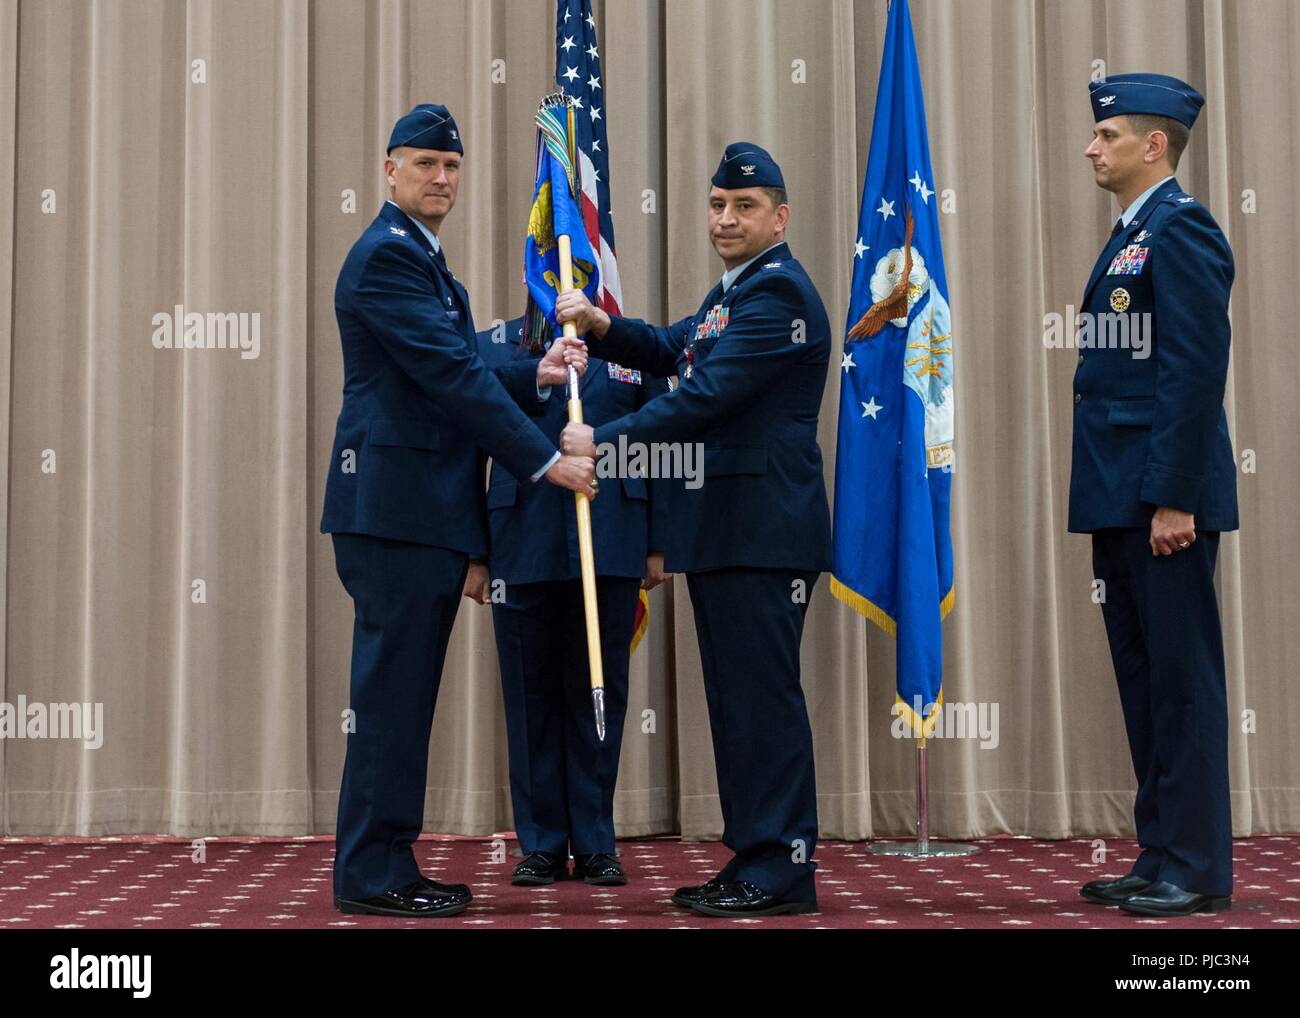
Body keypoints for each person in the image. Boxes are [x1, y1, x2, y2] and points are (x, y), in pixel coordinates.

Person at [320, 103, 596, 918]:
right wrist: (546, 460)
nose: (440, 179)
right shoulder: (385, 260)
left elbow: (466, 360)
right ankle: (371, 873)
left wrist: (538, 371)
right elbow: (450, 377)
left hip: (422, 515)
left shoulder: (431, 265)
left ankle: (387, 862)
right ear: (389, 170)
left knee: (404, 701)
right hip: (395, 513)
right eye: (424, 164)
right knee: (390, 701)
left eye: (451, 167)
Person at [554, 142, 832, 917]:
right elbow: (674, 347)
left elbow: (701, 395)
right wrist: (601, 323)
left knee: (762, 704)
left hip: (763, 532)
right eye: (716, 204)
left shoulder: (777, 296)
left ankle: (782, 866)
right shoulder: (734, 293)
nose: (726, 218)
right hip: (727, 531)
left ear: (780, 217)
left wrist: (600, 442)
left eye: (744, 207)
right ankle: (754, 855)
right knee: (737, 704)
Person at [1070, 74, 1238, 917]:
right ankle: (1161, 852)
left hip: (1161, 499)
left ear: (1155, 146)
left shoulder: (1182, 229)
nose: (1093, 147)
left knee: (1182, 684)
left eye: (1108, 135)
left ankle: (1200, 866)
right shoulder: (1132, 234)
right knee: (1144, 685)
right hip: (1118, 491)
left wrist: (1175, 496)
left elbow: (1194, 371)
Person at [471, 318, 671, 887]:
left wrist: (659, 543)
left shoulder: (629, 349)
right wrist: (473, 553)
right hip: (520, 541)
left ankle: (594, 840)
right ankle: (540, 842)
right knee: (530, 698)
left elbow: (661, 442)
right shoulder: (496, 347)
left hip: (611, 540)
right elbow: (471, 439)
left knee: (599, 695)